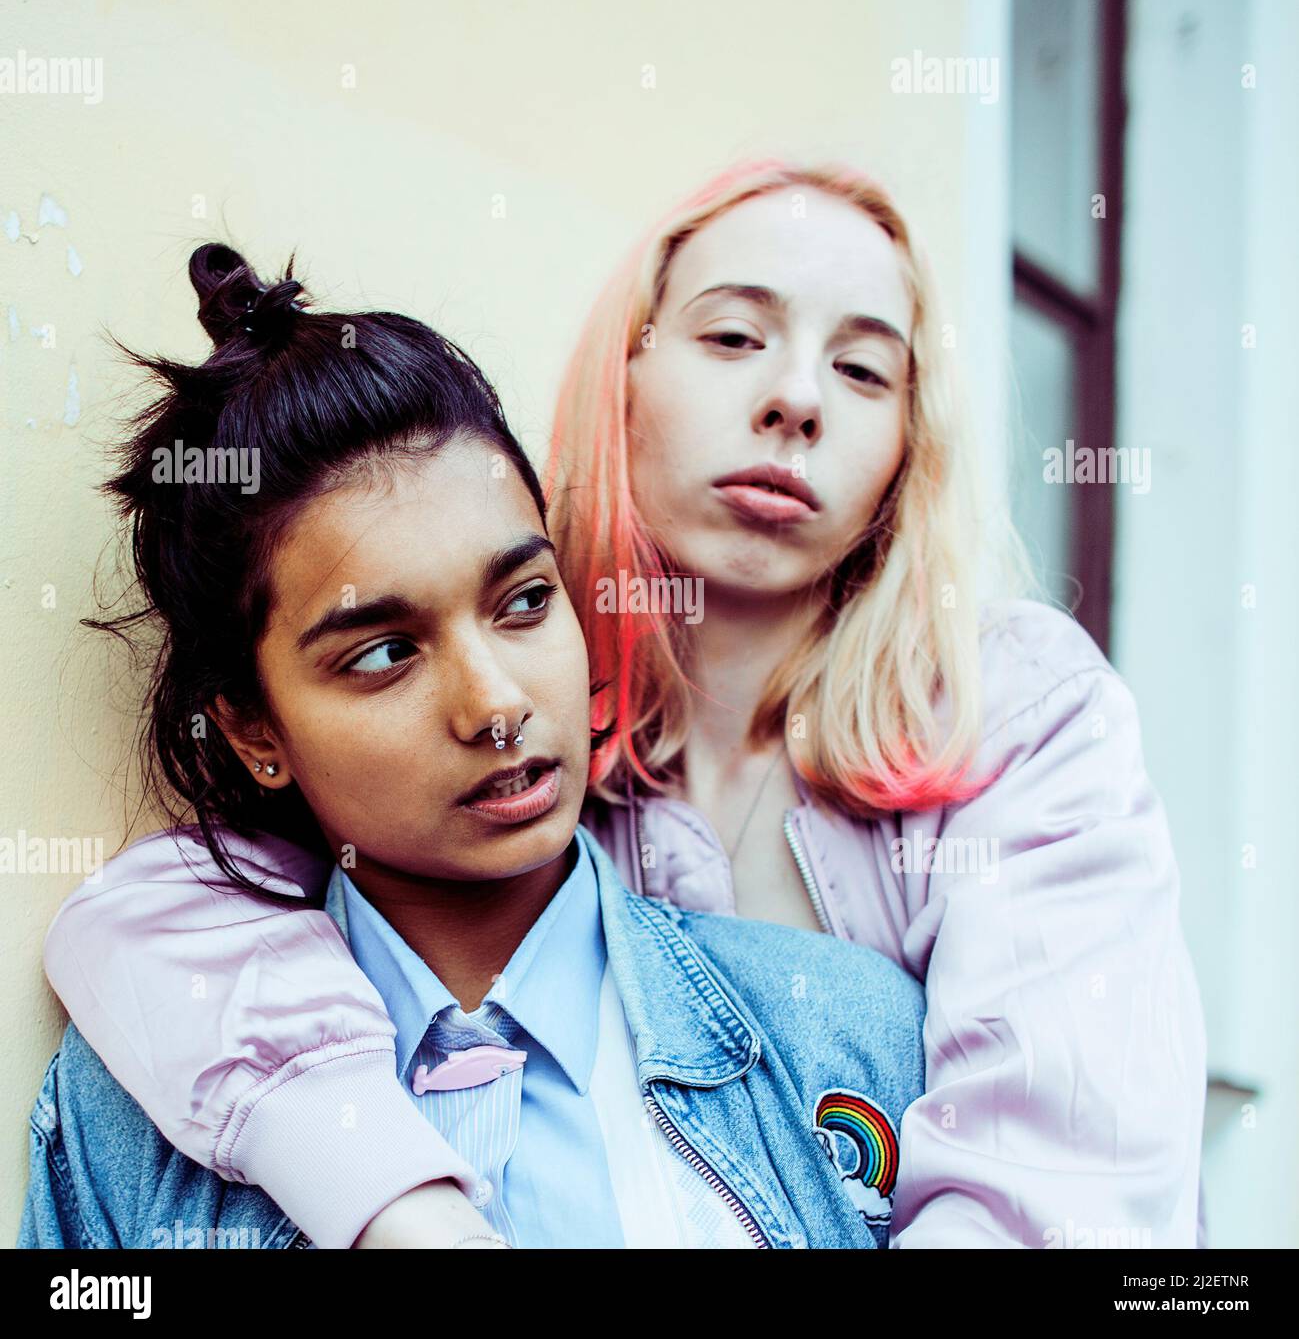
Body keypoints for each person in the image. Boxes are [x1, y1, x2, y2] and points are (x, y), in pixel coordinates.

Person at [43, 159, 1208, 1249]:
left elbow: (1066, 1185)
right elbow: (155, 919)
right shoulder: (541, 731)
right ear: (625, 376)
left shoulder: (1008, 707)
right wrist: (396, 1200)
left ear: (913, 436)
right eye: (735, 334)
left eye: (864, 367)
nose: (797, 398)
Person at [19, 243, 925, 1251]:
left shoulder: (843, 1033)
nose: (494, 703)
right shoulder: (131, 1113)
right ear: (253, 729)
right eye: (384, 654)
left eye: (525, 601)